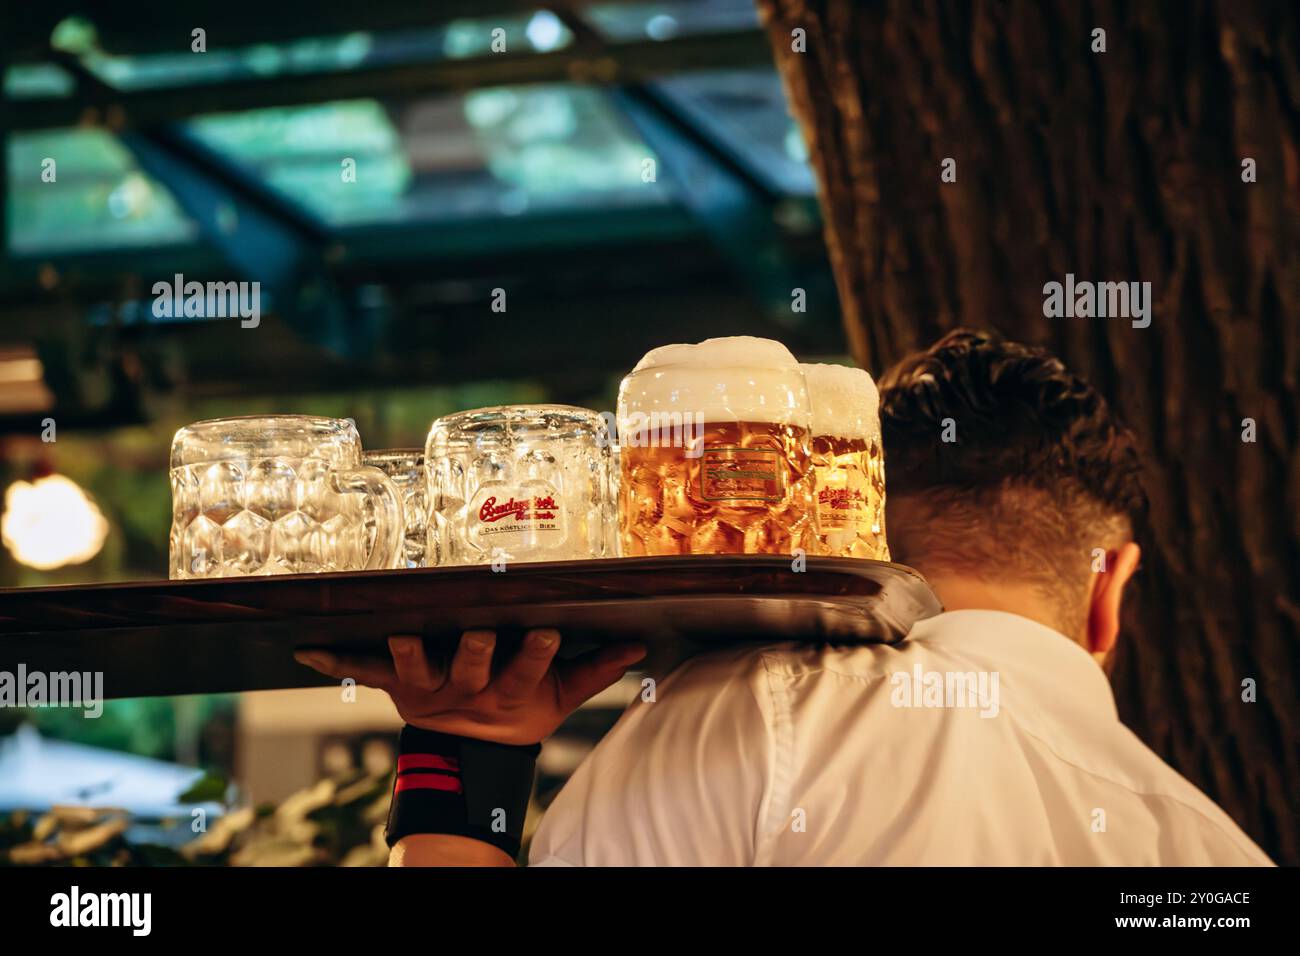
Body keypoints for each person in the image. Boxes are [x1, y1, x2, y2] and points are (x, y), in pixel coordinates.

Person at [296, 329, 1272, 866]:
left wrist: (464, 751)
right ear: (1112, 587)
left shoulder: (755, 714)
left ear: (842, 521)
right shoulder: (1210, 847)